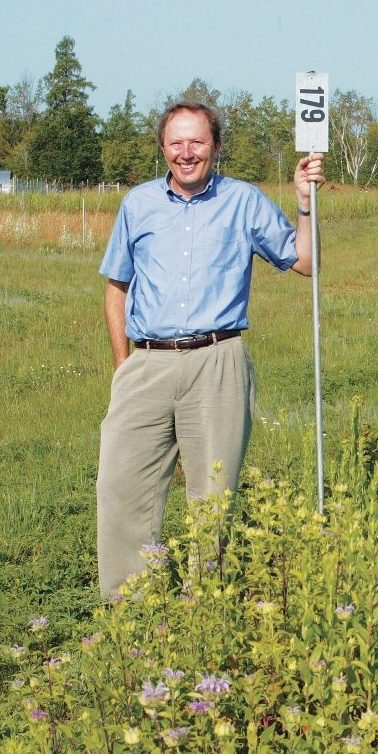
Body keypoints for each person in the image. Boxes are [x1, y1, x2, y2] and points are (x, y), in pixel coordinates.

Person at [96, 95, 325, 598]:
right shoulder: (138, 203)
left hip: (218, 362)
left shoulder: (243, 200)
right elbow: (117, 287)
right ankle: (129, 611)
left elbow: (304, 262)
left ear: (216, 147)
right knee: (121, 490)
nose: (186, 151)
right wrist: (123, 366)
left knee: (212, 499)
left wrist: (304, 202)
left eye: (197, 140)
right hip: (146, 363)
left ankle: (204, 609)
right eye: (175, 141)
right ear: (162, 147)